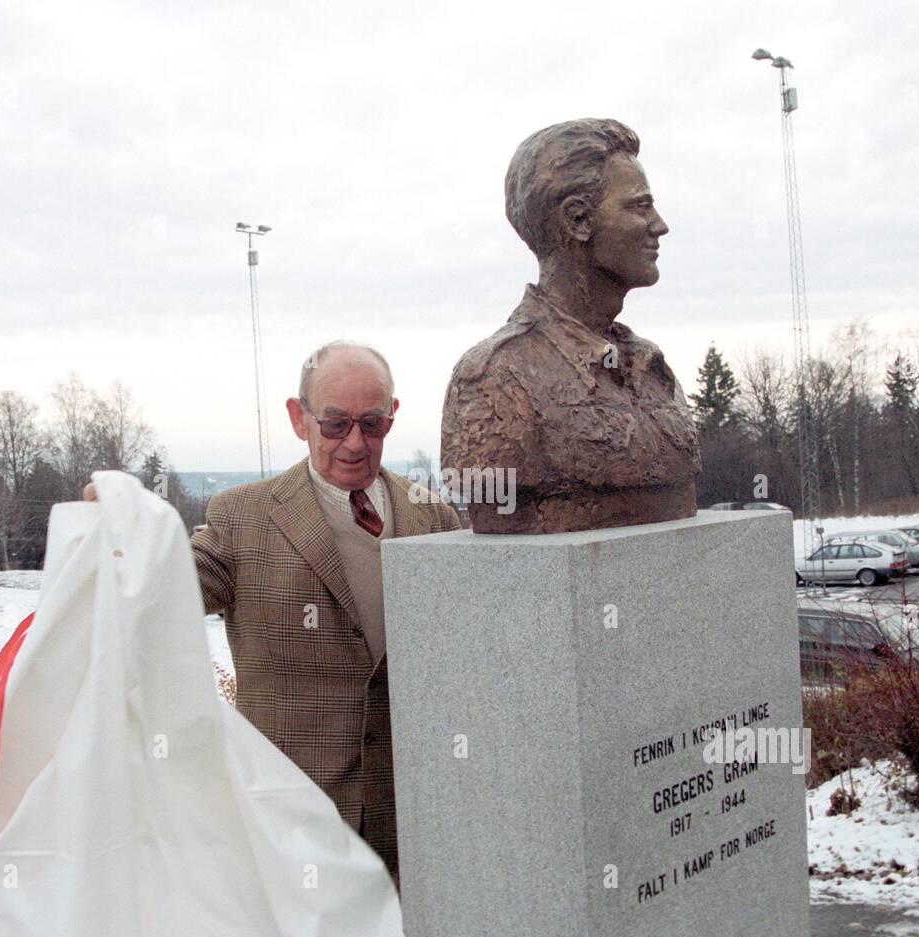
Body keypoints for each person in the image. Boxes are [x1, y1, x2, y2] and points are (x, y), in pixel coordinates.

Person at [186, 343, 459, 880]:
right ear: (298, 417)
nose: (355, 443)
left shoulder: (436, 516)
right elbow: (169, 590)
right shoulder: (240, 518)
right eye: (334, 424)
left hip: (417, 828)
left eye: (372, 424)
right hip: (294, 831)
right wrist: (121, 544)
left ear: (392, 416)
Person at [440, 118, 701, 533]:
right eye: (639, 206)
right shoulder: (495, 379)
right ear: (578, 220)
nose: (659, 225)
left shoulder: (653, 369)